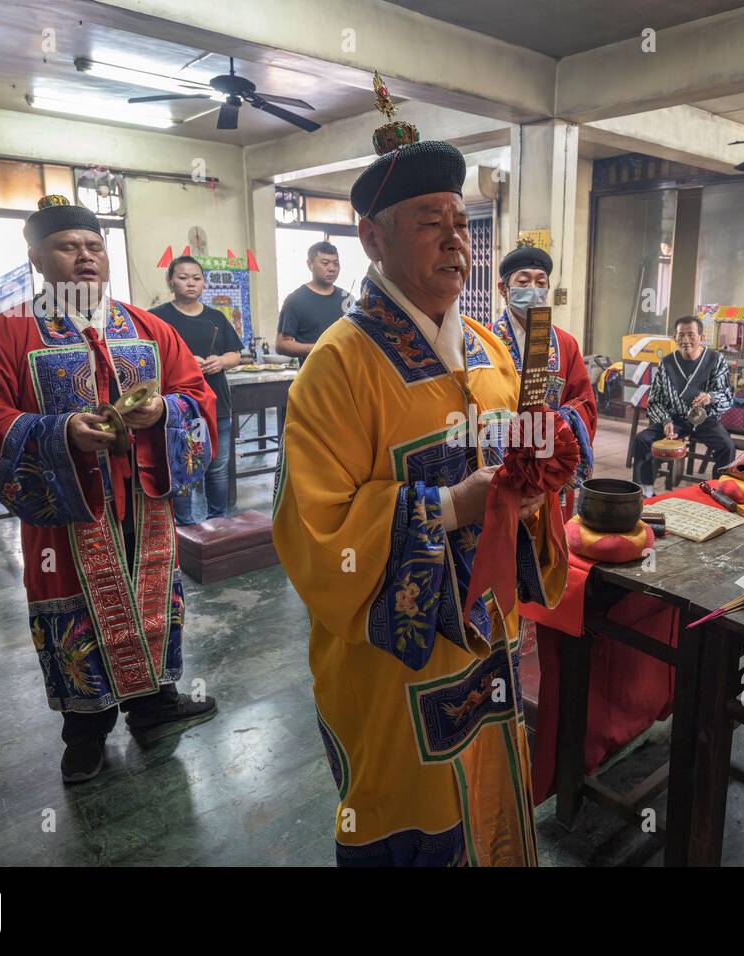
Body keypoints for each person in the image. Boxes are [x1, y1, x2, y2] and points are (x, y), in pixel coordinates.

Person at [272, 136, 567, 867]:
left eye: (461, 222)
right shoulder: (336, 366)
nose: (454, 240)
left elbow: (523, 465)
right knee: (412, 817)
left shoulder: (492, 352)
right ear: (373, 238)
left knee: (488, 805)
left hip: (488, 639)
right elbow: (318, 533)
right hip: (394, 669)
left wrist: (534, 492)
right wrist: (455, 507)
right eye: (429, 221)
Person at [0, 195, 219, 785]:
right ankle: (85, 731)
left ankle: (152, 703)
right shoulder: (1, 337)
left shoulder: (150, 331)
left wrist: (165, 413)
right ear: (38, 259)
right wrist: (58, 430)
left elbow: (197, 396)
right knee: (72, 611)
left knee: (151, 597)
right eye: (69, 247)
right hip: (64, 509)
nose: (85, 257)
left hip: (145, 499)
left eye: (94, 246)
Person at [487, 245, 596, 513]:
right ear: (503, 289)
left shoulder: (565, 343)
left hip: (550, 461)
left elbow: (585, 402)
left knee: (549, 540)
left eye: (541, 282)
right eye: (523, 282)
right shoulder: (484, 341)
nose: (533, 289)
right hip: (501, 458)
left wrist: (555, 427)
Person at [151, 256, 243, 524]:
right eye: (183, 277)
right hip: (178, 406)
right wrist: (185, 362)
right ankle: (184, 526)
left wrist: (222, 361)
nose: (190, 283)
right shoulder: (157, 318)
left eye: (196, 278)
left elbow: (235, 354)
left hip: (217, 404)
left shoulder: (216, 317)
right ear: (170, 281)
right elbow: (149, 358)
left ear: (203, 282)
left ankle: (218, 522)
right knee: (183, 466)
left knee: (217, 467)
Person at [631, 315, 735, 495]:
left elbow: (727, 395)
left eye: (691, 335)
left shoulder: (715, 360)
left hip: (705, 420)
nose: (686, 340)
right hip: (675, 420)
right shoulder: (667, 363)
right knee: (641, 440)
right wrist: (665, 421)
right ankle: (645, 491)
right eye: (681, 335)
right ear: (674, 338)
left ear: (701, 337)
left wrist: (710, 397)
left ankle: (719, 491)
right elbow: (654, 400)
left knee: (727, 447)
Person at [275, 241, 345, 361]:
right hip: (313, 376)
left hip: (348, 375)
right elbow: (281, 345)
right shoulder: (295, 300)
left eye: (336, 263)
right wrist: (319, 348)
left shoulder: (347, 299)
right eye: (325, 263)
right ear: (310, 264)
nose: (332, 268)